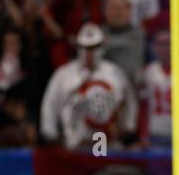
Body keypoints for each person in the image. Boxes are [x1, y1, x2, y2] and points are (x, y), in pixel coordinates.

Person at [39, 23, 136, 151]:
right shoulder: (63, 75)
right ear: (78, 47)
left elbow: (130, 102)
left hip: (109, 146)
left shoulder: (115, 73)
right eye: (85, 47)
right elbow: (49, 105)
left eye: (94, 47)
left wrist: (128, 128)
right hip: (74, 145)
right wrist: (51, 135)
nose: (90, 52)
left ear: (102, 46)